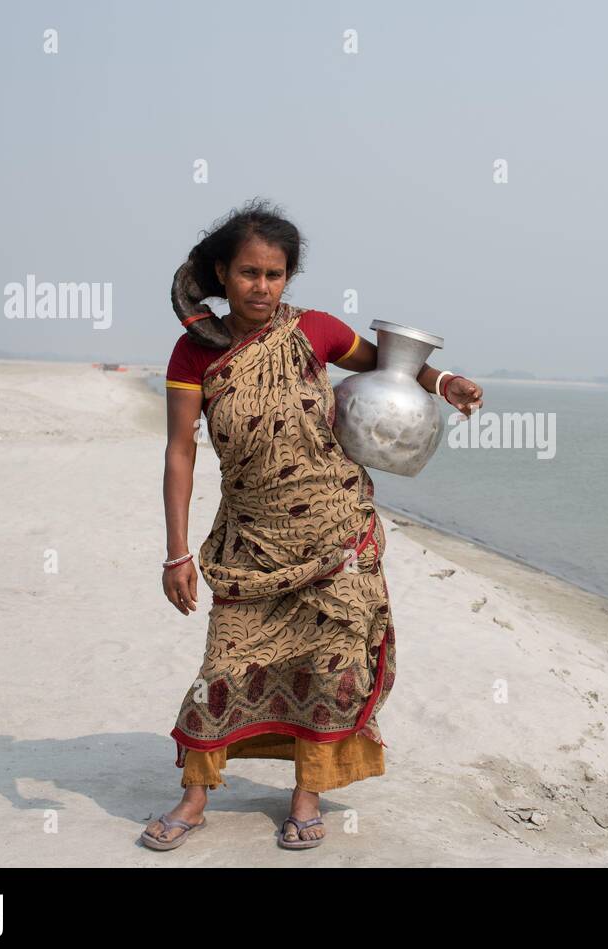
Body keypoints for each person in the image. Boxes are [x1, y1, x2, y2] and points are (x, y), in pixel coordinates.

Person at [141, 199, 483, 850]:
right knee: (226, 663)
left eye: (274, 274)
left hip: (337, 535)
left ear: (288, 278)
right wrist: (176, 553)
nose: (261, 287)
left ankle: (306, 792)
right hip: (251, 541)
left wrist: (445, 382)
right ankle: (193, 795)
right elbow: (180, 451)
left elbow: (389, 364)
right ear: (222, 272)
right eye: (248, 273)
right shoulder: (193, 354)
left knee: (329, 665)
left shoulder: (316, 331)